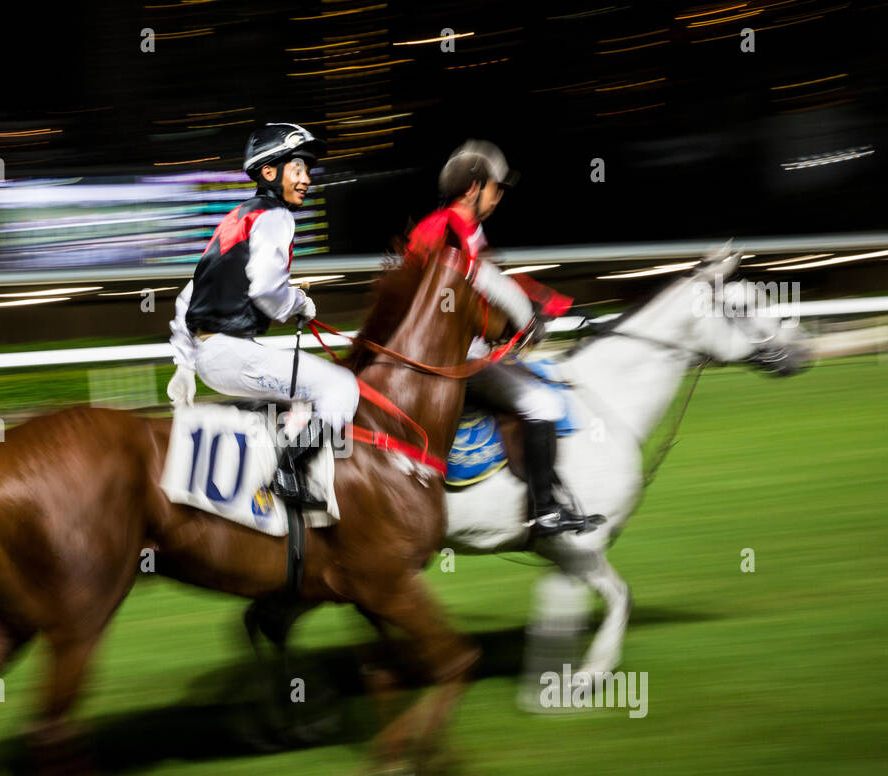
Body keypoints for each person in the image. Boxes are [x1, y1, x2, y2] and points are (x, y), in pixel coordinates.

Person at [406, 139, 602, 536]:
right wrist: (520, 320)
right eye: (497, 188)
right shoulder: (448, 230)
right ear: (474, 187)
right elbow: (466, 297)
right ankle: (543, 512)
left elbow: (498, 284)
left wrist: (560, 306)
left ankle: (549, 495)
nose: (499, 198)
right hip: (453, 361)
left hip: (453, 355)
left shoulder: (461, 230)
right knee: (543, 402)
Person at [167, 123, 358, 509]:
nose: (306, 179)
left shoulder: (235, 219)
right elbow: (267, 291)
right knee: (342, 388)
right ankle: (289, 473)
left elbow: (189, 294)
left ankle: (272, 472)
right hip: (232, 355)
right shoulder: (275, 216)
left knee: (302, 399)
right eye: (297, 169)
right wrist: (300, 304)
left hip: (214, 356)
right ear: (270, 172)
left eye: (307, 170)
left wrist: (185, 365)